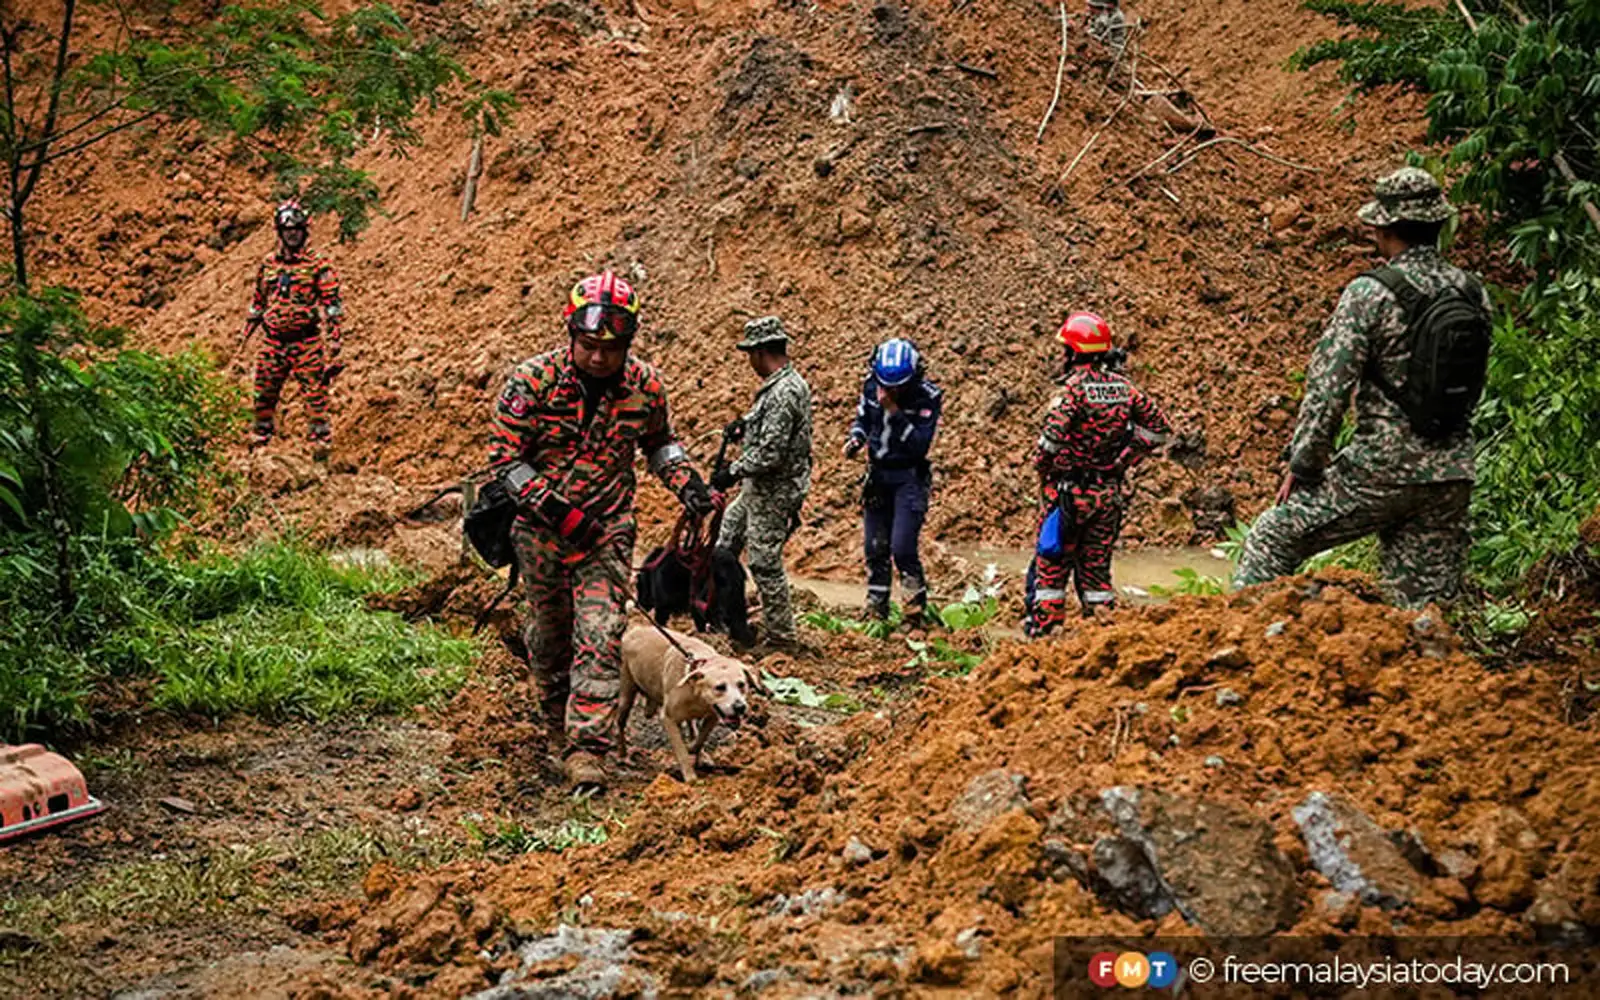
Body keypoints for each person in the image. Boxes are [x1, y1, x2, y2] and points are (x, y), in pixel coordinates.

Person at [489, 270, 713, 792]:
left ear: (628, 343)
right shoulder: (531, 382)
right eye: (588, 345)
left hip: (607, 534)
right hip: (541, 532)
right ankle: (553, 727)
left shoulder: (646, 386)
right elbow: (505, 461)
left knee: (600, 635)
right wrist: (557, 510)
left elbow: (660, 443)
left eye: (610, 348)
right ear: (571, 335)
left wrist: (687, 483)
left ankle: (586, 751)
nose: (598, 358)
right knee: (550, 637)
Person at [1235, 166, 1491, 608]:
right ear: (1436, 224)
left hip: (1382, 470)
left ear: (1383, 227)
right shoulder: (1472, 292)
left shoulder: (1370, 293)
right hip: (1452, 471)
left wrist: (1306, 465)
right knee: (1421, 610)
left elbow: (1329, 390)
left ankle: (1246, 654)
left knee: (1272, 538)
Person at [1026, 312, 1171, 636]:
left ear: (1073, 352)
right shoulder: (1125, 390)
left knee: (1052, 568)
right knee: (1095, 572)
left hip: (1068, 495)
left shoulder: (1073, 391)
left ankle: (1046, 639)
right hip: (1107, 494)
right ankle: (1102, 636)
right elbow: (1159, 430)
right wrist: (1124, 460)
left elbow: (1051, 441)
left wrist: (1043, 470)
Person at [713, 316, 814, 650]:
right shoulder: (777, 387)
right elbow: (768, 429)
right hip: (757, 489)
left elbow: (771, 452)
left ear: (760, 352)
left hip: (774, 490)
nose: (749, 362)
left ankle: (782, 638)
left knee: (763, 561)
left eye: (750, 355)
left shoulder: (785, 391)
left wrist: (733, 470)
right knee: (726, 541)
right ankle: (727, 613)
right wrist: (743, 425)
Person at [845, 338, 942, 626]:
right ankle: (876, 609)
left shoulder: (927, 397)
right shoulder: (871, 385)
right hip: (878, 474)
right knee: (875, 546)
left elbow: (919, 444)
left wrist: (893, 411)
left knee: (902, 547)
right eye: (887, 384)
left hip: (908, 477)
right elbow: (863, 418)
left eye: (898, 385)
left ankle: (914, 612)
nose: (890, 390)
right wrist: (856, 438)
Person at [244, 200, 344, 449]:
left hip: (306, 342)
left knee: (315, 398)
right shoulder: (268, 264)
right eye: (287, 231)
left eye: (297, 230)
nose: (292, 235)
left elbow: (332, 304)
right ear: (279, 232)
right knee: (263, 395)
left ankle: (320, 448)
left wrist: (334, 338)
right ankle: (260, 447)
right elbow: (259, 300)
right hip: (273, 341)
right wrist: (249, 329)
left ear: (304, 232)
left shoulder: (318, 264)